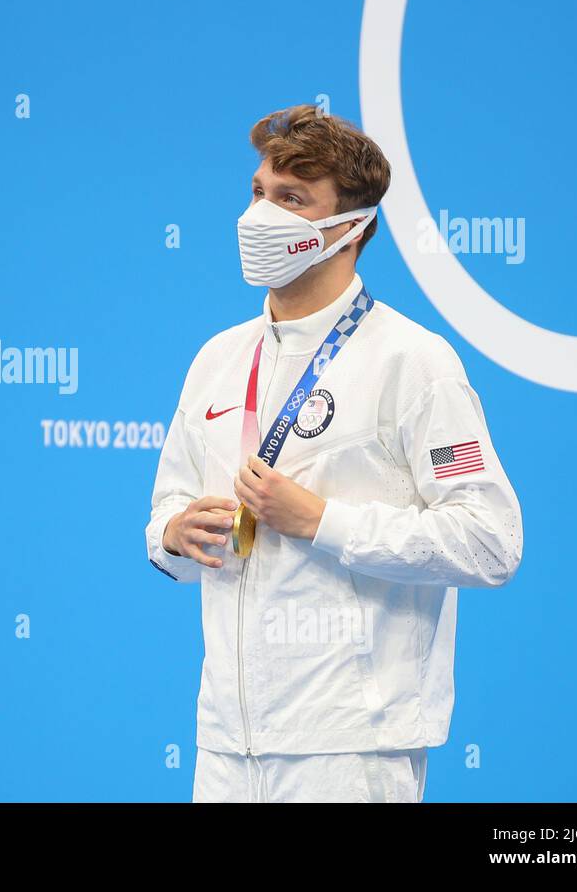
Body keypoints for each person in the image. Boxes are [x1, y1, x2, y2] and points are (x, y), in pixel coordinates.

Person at [144, 104, 523, 802]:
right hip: (226, 746)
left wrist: (322, 519)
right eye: (259, 193)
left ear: (351, 229)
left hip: (352, 749)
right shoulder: (217, 360)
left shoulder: (414, 361)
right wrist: (172, 533)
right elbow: (166, 509)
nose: (262, 216)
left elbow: (490, 541)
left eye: (292, 199)